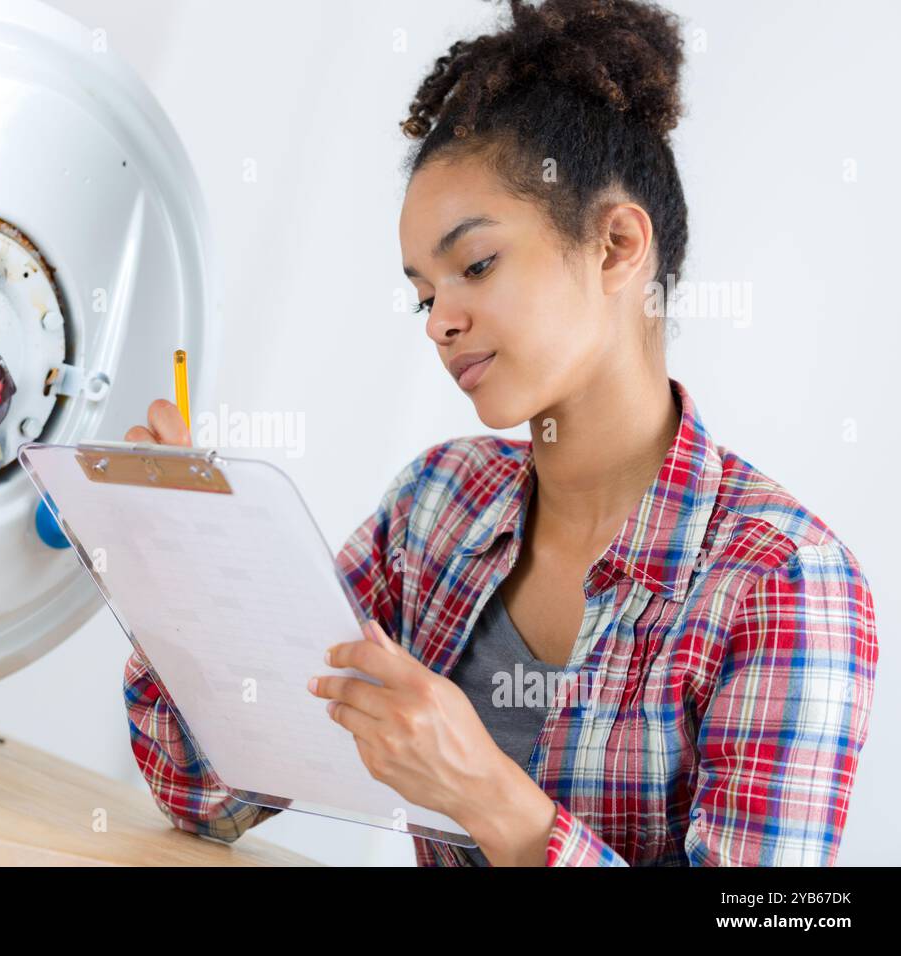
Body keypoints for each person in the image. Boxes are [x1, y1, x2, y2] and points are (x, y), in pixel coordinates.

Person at [121, 0, 878, 866]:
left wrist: (489, 797)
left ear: (617, 244)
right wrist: (186, 557)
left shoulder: (782, 584)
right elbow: (204, 792)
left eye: (475, 264)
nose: (441, 320)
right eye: (424, 292)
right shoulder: (437, 505)